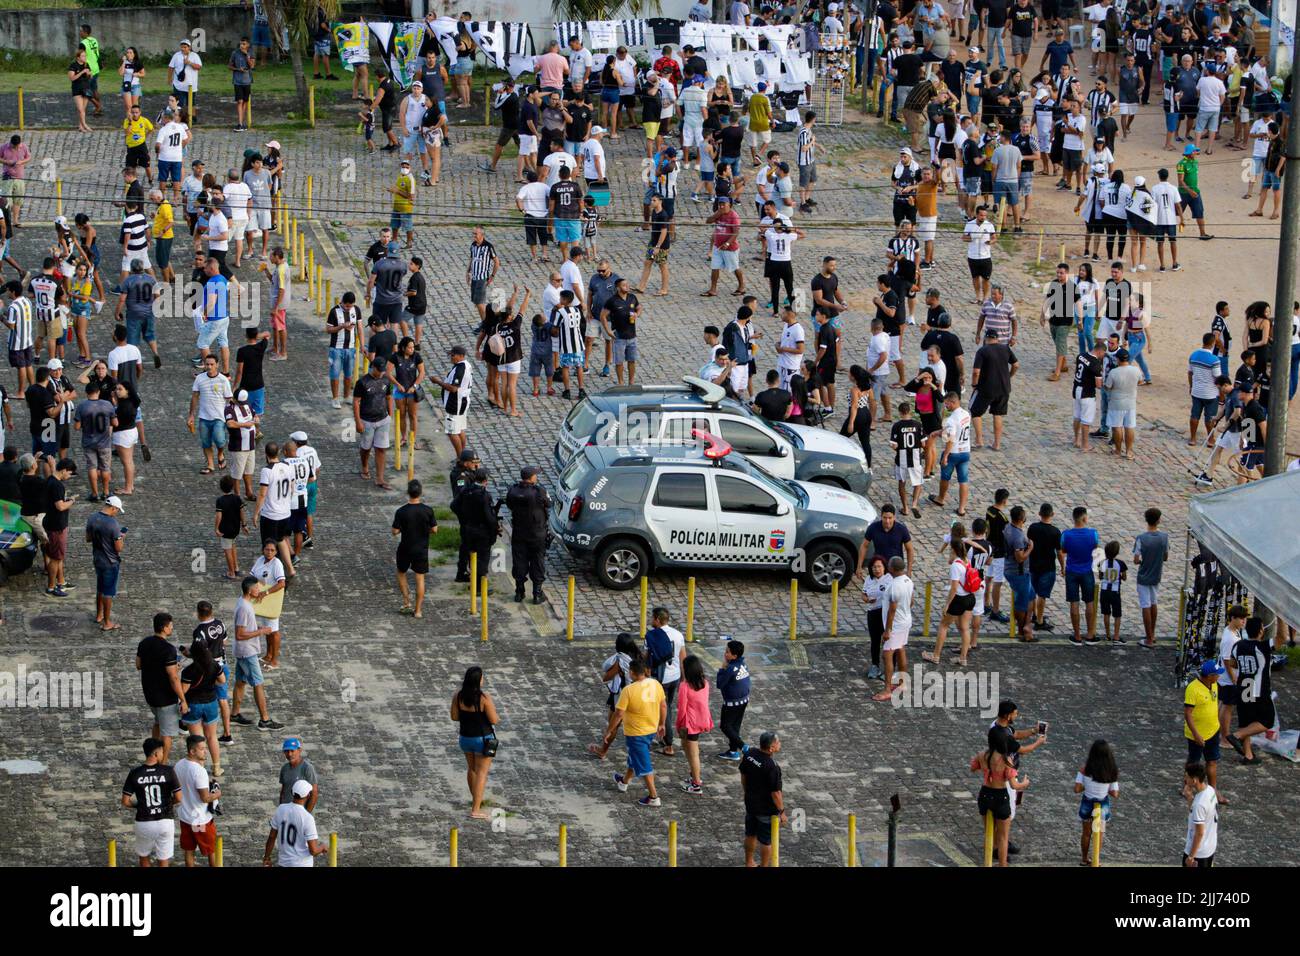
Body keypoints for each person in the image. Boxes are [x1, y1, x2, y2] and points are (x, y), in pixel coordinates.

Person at [606, 656, 667, 808]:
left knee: (644, 764)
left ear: (632, 673)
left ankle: (653, 796)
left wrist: (609, 730)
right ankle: (624, 782)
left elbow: (619, 714)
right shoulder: (655, 684)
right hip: (651, 728)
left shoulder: (628, 690)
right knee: (635, 756)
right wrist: (662, 724)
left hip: (635, 732)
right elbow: (663, 706)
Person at [231, 575, 284, 732]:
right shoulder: (244, 608)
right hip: (247, 652)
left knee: (240, 682)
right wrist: (261, 631)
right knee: (258, 684)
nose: (259, 590)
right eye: (256, 587)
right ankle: (265, 720)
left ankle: (234, 714)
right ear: (250, 590)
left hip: (243, 651)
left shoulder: (243, 602)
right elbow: (239, 634)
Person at [121, 737, 181, 867]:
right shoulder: (168, 771)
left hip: (144, 821)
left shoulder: (135, 773)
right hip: (165, 820)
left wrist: (139, 805)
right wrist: (168, 803)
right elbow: (179, 797)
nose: (162, 754)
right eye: (161, 752)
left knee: (144, 857)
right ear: (155, 753)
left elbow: (125, 801)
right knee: (163, 859)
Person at [971, 732, 1027, 866]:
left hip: (984, 795)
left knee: (988, 831)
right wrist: (1025, 783)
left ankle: (987, 862)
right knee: (1003, 837)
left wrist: (986, 769)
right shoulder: (1006, 760)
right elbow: (1014, 785)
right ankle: (1003, 864)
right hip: (1000, 797)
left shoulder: (982, 755)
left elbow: (973, 768)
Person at [136, 611, 184, 763]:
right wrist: (183, 699)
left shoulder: (144, 643)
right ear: (164, 628)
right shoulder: (168, 649)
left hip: (150, 694)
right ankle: (162, 764)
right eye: (170, 626)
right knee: (167, 734)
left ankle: (151, 755)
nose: (172, 629)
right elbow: (173, 677)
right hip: (166, 698)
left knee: (157, 724)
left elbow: (138, 665)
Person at [1228, 616, 1275, 764]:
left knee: (1246, 720)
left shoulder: (1238, 646)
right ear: (1261, 631)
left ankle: (1248, 755)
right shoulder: (1263, 647)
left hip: (1243, 686)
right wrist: (1281, 618)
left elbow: (1232, 663)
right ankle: (1236, 735)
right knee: (1267, 720)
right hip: (1259, 690)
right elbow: (1282, 637)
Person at [739, 731, 785, 867]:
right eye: (778, 742)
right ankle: (764, 865)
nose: (780, 744)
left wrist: (747, 791)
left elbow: (743, 774)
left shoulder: (750, 754)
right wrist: (782, 811)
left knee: (750, 834)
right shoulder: (772, 767)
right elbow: (775, 793)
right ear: (771, 748)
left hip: (751, 803)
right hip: (766, 809)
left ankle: (749, 862)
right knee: (766, 840)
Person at [392, 479, 436, 618]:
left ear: (408, 492)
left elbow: (395, 531)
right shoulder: (428, 510)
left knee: (401, 572)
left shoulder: (401, 511)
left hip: (405, 547)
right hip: (421, 548)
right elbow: (434, 529)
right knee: (420, 578)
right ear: (420, 492)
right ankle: (418, 610)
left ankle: (406, 601)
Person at [505, 465, 550, 604]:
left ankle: (519, 592)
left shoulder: (513, 490)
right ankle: (537, 594)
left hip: (519, 532)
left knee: (519, 561)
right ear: (531, 478)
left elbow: (509, 504)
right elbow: (549, 503)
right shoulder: (539, 491)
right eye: (535, 475)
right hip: (537, 534)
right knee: (537, 562)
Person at [1184, 660, 1225, 803]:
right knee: (1193, 762)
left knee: (1212, 761)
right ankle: (1187, 787)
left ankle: (1213, 791)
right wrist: (1196, 734)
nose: (1219, 676)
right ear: (1209, 676)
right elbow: (1188, 713)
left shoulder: (1214, 685)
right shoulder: (1193, 689)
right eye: (1217, 674)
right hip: (1197, 734)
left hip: (1213, 730)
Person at [969, 330, 1018, 449]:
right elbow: (1016, 365)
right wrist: (1009, 375)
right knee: (998, 414)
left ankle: (979, 440)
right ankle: (997, 443)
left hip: (986, 388)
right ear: (997, 339)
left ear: (986, 338)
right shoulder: (1005, 349)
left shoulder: (982, 351)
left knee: (975, 412)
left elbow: (976, 372)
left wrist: (974, 385)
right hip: (1004, 388)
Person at [1059, 506, 1100, 645]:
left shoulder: (1066, 535)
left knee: (1074, 602)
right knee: (1089, 602)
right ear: (1083, 518)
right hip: (1087, 571)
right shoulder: (1093, 534)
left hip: (1072, 571)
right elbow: (1095, 547)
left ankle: (1077, 635)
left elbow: (1063, 550)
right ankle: (1090, 634)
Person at [174, 735, 217, 868]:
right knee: (210, 850)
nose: (206, 751)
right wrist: (218, 793)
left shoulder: (179, 765)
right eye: (202, 749)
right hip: (199, 819)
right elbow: (205, 798)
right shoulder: (199, 771)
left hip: (185, 817)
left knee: (189, 850)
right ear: (192, 751)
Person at [1075, 739, 1119, 865]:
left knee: (1086, 833)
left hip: (1087, 803)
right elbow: (1115, 793)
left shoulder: (1085, 769)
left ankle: (1084, 859)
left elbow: (1077, 789)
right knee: (1099, 834)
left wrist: (1088, 786)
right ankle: (1096, 860)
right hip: (1102, 805)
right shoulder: (1111, 771)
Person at [264, 779, 328, 866]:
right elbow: (313, 851)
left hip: (284, 863)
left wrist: (266, 857)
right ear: (308, 795)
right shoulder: (307, 818)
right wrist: (322, 847)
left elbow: (272, 836)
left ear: (292, 792)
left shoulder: (281, 809)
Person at [353, 356, 394, 489]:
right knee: (366, 448)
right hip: (367, 420)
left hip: (383, 419)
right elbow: (356, 402)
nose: (382, 373)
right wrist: (358, 421)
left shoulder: (386, 380)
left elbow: (388, 397)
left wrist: (390, 414)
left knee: (381, 448)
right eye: (379, 370)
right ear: (373, 367)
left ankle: (380, 478)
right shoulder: (362, 382)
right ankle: (364, 466)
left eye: (383, 370)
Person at [86, 494, 125, 630]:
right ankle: (107, 622)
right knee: (108, 592)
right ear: (113, 508)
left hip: (98, 559)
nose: (117, 513)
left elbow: (88, 538)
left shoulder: (92, 518)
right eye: (117, 510)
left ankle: (99, 615)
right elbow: (119, 548)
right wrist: (121, 537)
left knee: (100, 588)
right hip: (110, 561)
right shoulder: (113, 524)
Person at [1132, 508, 1169, 649]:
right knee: (1154, 603)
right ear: (1158, 520)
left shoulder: (1141, 538)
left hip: (1143, 575)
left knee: (1145, 605)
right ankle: (1152, 634)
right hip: (1156, 574)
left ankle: (1148, 638)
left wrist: (1142, 561)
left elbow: (1136, 559)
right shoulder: (1164, 537)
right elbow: (1165, 557)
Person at [1104, 347, 1140, 459]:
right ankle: (1129, 451)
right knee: (1129, 427)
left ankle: (1118, 450)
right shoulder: (1136, 370)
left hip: (1116, 403)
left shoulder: (1114, 372)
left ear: (1117, 359)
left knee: (1117, 427)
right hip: (1131, 403)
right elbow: (1141, 381)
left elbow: (1108, 387)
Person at [1182, 761, 1219, 867]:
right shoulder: (1210, 790)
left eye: (1187, 777)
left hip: (1199, 853)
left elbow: (1200, 833)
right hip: (1209, 846)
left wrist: (1191, 857)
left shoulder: (1200, 804)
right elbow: (1196, 813)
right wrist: (1189, 798)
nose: (1185, 780)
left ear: (1194, 780)